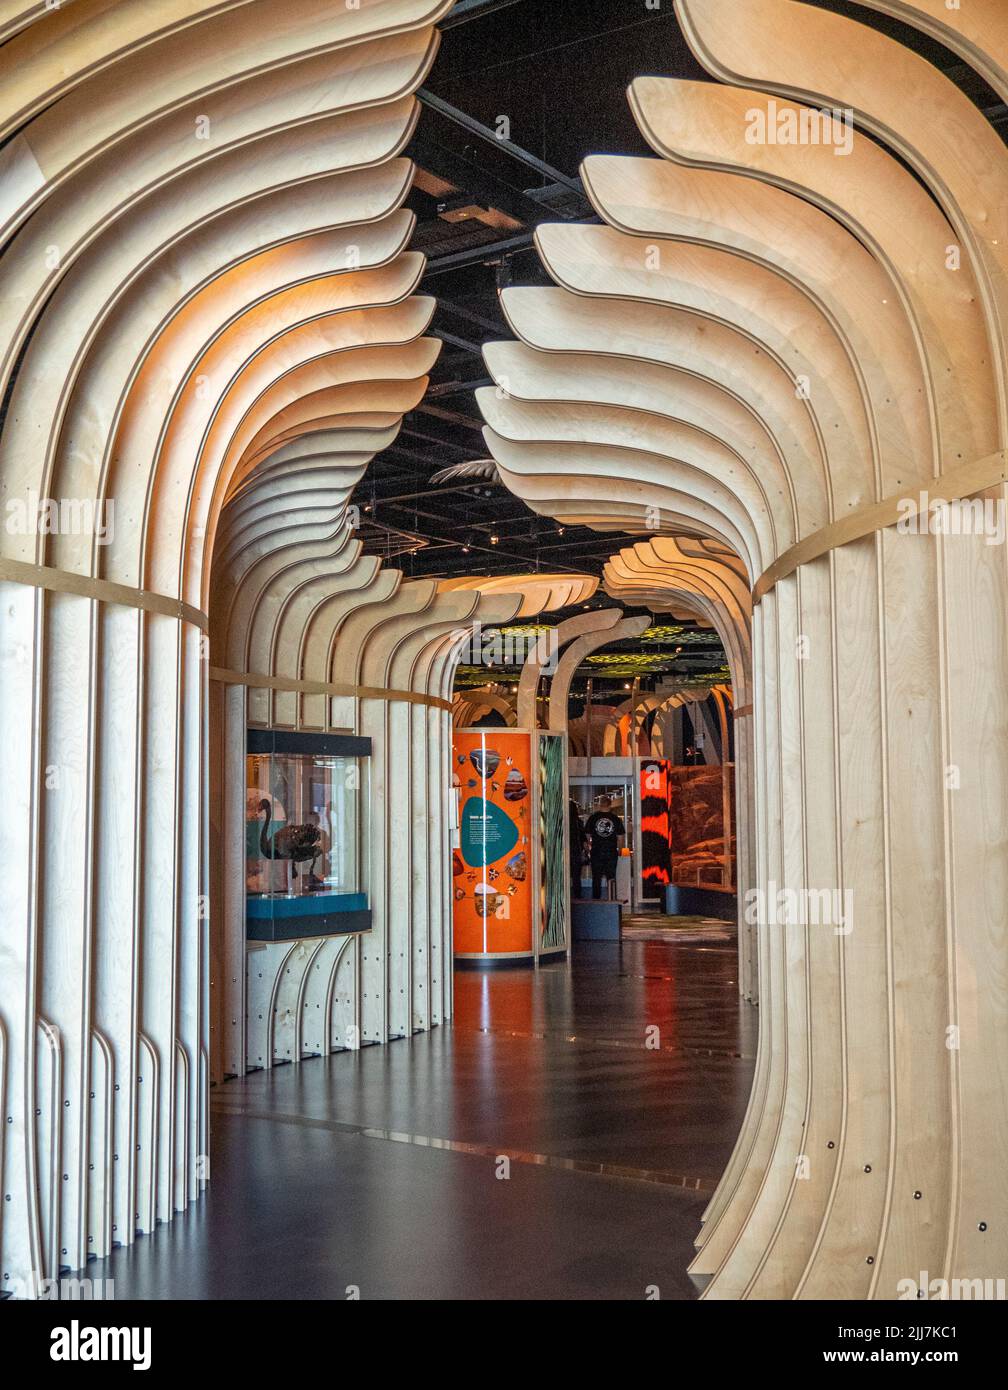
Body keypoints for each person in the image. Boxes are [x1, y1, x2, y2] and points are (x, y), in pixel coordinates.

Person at [584, 796, 626, 900]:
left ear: (600, 804)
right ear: (610, 805)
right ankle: (612, 900)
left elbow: (587, 837)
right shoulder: (616, 819)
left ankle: (596, 900)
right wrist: (619, 851)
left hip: (596, 852)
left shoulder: (593, 818)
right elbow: (620, 838)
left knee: (596, 878)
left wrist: (588, 849)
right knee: (611, 878)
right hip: (611, 852)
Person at [568, 798, 585, 899]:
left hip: (563, 853)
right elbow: (583, 839)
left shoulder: (561, 822)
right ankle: (577, 895)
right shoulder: (579, 822)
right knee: (576, 877)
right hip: (576, 852)